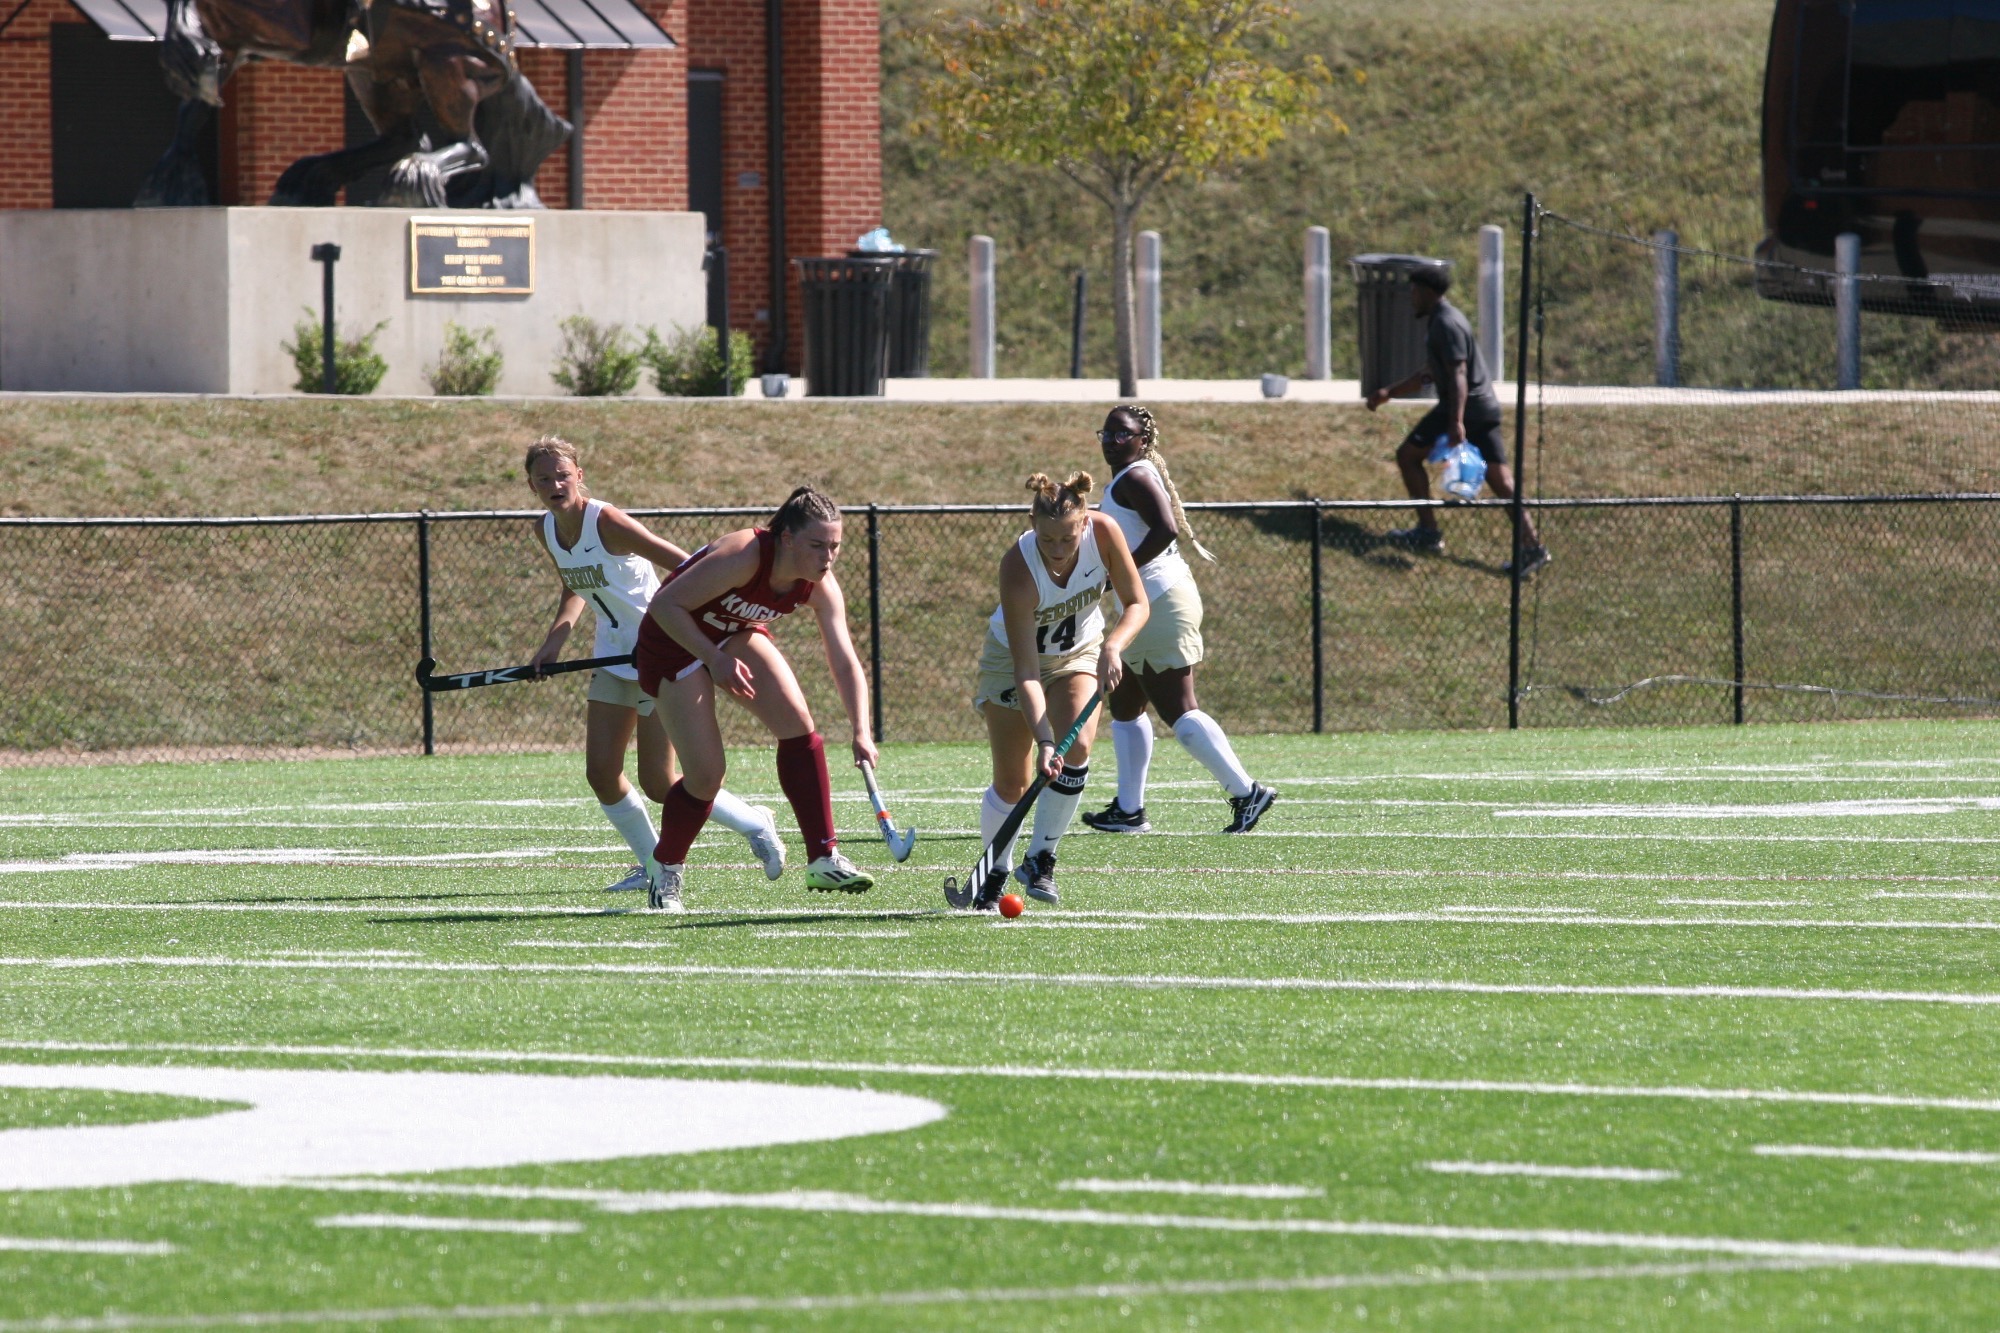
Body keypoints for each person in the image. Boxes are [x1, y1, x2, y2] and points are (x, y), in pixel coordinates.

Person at [524, 437, 785, 894]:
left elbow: (686, 566)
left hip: (661, 651)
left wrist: (706, 627)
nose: (554, 484)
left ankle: (755, 823)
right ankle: (650, 865)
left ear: (579, 476)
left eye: (562, 474)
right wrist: (554, 641)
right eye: (544, 478)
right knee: (601, 773)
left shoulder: (606, 521)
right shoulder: (546, 529)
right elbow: (575, 586)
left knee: (661, 782)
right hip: (613, 655)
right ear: (531, 485)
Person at [635, 485, 879, 912]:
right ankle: (665, 868)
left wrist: (862, 728)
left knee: (798, 724)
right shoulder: (745, 554)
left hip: (731, 633)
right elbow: (666, 605)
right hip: (674, 642)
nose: (828, 557)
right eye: (818, 545)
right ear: (787, 538)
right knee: (707, 775)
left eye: (836, 546)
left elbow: (844, 659)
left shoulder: (819, 583)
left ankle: (823, 857)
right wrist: (711, 657)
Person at [1078, 406, 1277, 837]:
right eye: (1106, 433)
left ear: (1143, 440)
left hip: (1158, 602)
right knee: (1126, 705)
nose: (1111, 441)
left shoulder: (1134, 476)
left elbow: (1165, 528)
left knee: (1179, 710)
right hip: (1150, 601)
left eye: (1122, 434)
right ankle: (1129, 811)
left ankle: (1247, 792)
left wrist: (1119, 575)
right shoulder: (1128, 476)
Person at [971, 471, 1149, 908]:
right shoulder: (1018, 568)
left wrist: (1113, 646)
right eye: (1046, 539)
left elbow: (1137, 603)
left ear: (1084, 523)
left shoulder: (1104, 532)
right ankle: (994, 873)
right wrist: (1045, 740)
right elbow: (1026, 671)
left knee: (1079, 748)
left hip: (1079, 653)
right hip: (1014, 661)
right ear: (1032, 522)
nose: (1056, 550)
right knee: (1014, 781)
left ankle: (1041, 858)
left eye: (1066, 540)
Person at [1365, 265, 1549, 576]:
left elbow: (1458, 374)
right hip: (1484, 408)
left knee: (1407, 456)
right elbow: (1431, 372)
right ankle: (1533, 548)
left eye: (1413, 291)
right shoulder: (1445, 320)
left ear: (1426, 291)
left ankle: (1428, 532)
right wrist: (1389, 393)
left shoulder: (1445, 324)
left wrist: (1455, 421)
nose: (1411, 297)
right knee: (1501, 481)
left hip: (1463, 409)